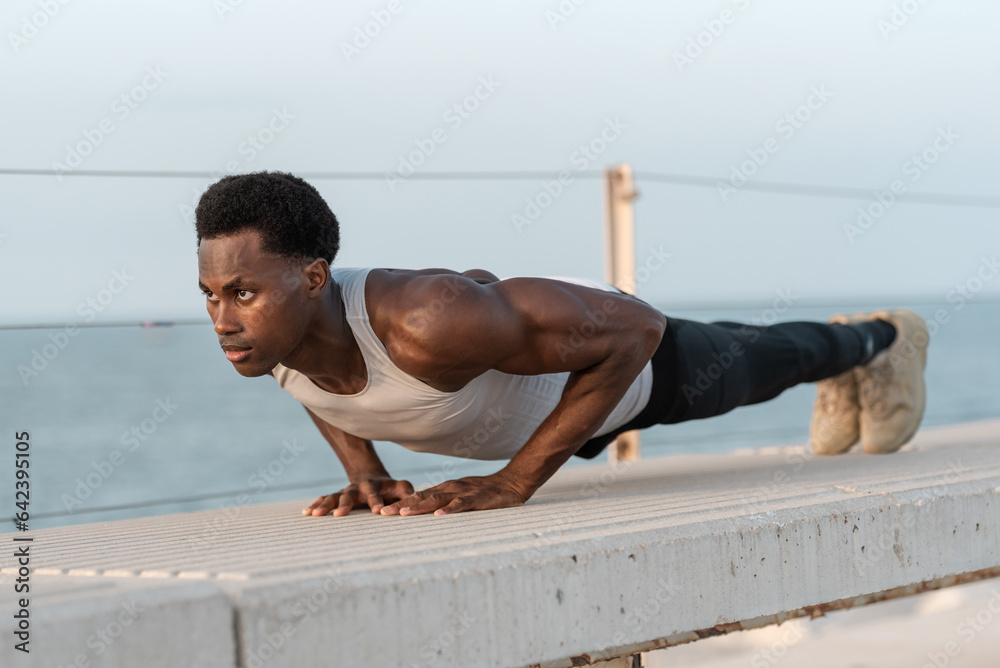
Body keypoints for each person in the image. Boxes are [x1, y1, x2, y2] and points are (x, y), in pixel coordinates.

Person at [194, 171, 929, 518]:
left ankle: (881, 338)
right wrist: (367, 471)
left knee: (773, 359)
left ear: (314, 278)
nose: (223, 319)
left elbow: (636, 332)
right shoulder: (270, 338)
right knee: (771, 357)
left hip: (632, 364)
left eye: (242, 293)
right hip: (548, 404)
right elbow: (325, 387)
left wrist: (515, 482)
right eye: (211, 295)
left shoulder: (425, 321)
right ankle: (856, 353)